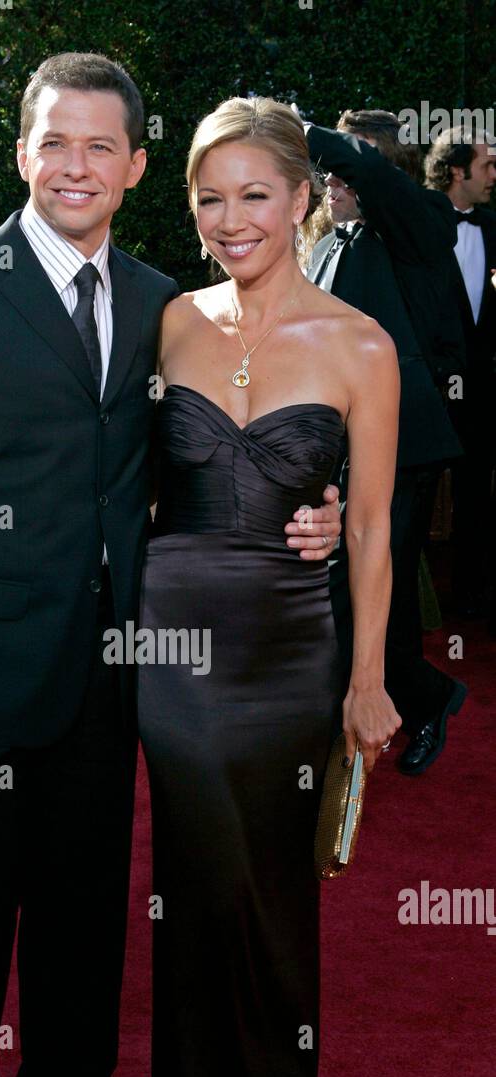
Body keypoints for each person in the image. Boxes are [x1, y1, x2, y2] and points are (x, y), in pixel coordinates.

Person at [0, 53, 346, 1077]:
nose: (76, 167)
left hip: (110, 681)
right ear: (21, 154)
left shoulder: (161, 305)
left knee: (85, 933)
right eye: (54, 144)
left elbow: (220, 447)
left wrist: (315, 510)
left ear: (136, 167)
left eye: (102, 148)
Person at [137, 97, 401, 1077]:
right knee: (200, 889)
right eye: (209, 196)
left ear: (303, 196)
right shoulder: (164, 322)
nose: (230, 218)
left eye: (255, 193)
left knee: (276, 897)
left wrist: (368, 681)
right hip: (172, 645)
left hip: (297, 650)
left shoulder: (360, 344)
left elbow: (378, 529)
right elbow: (123, 484)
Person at [304, 109, 468, 777]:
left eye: (349, 165)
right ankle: (424, 698)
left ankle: (365, 721)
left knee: (359, 586)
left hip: (404, 447)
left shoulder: (420, 221)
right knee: (379, 595)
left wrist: (293, 125)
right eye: (330, 171)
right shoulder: (322, 246)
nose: (334, 179)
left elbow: (366, 168)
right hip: (337, 447)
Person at [424, 127, 496, 622]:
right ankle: (413, 601)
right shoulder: (419, 221)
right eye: (488, 165)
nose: (495, 175)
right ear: (457, 170)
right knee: (416, 491)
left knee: (475, 494)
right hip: (428, 385)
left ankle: (470, 598)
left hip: (483, 387)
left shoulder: (493, 225)